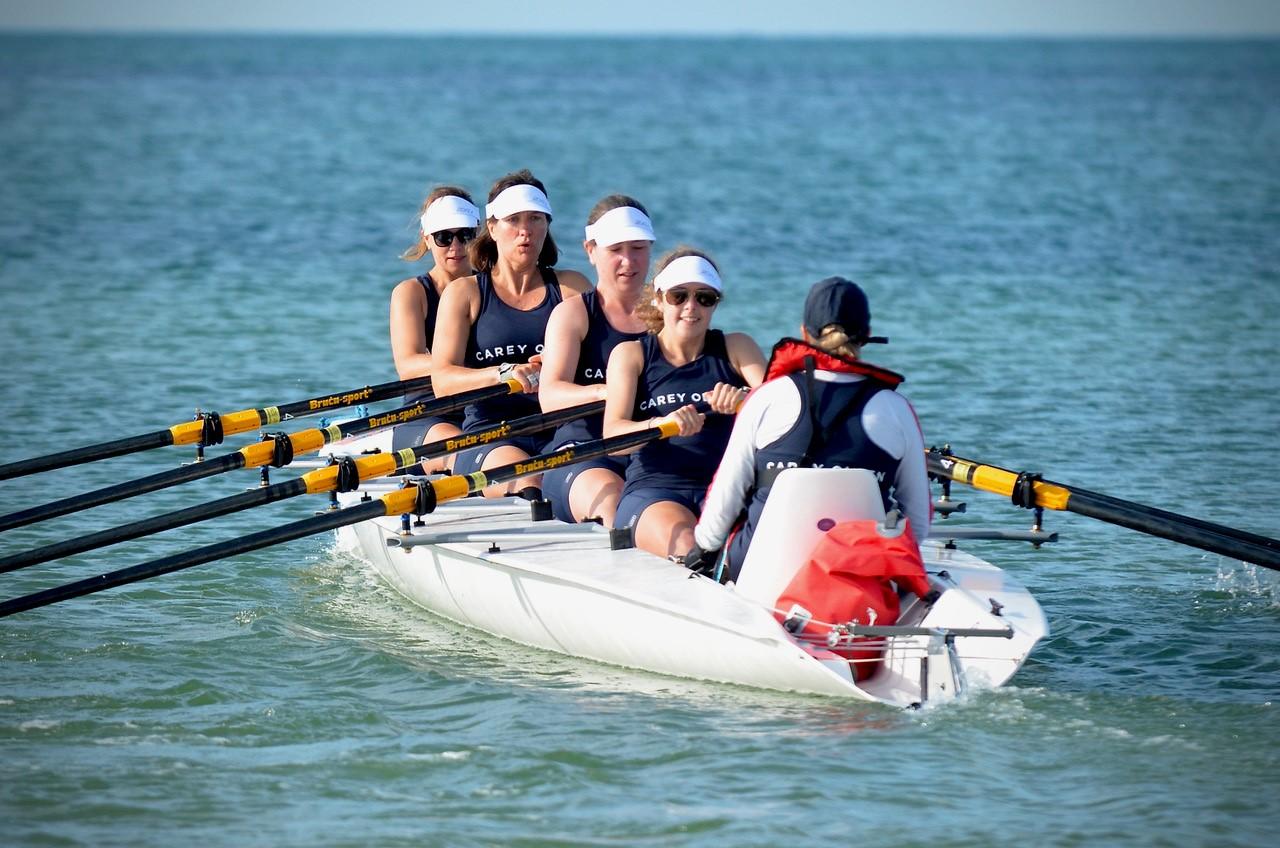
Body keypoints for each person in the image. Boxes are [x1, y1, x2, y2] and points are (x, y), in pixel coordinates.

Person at [686, 276, 931, 581]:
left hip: (763, 574)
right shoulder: (896, 409)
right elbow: (918, 524)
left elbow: (724, 501)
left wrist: (702, 552)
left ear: (804, 333)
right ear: (866, 335)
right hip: (860, 581)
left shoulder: (766, 399)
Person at [430, 169, 591, 496]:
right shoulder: (466, 293)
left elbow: (606, 359)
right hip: (490, 435)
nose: (525, 231)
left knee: (588, 482)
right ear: (491, 227)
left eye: (535, 219)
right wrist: (504, 373)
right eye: (514, 220)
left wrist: (557, 363)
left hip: (562, 429)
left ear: (547, 225)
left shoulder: (572, 288)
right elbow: (442, 381)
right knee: (531, 481)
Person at [602, 247, 766, 558]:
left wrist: (745, 403)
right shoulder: (632, 355)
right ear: (659, 299)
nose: (692, 307)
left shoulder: (737, 347)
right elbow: (613, 438)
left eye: (705, 297)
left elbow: (780, 412)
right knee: (690, 548)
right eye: (679, 296)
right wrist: (662, 425)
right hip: (656, 490)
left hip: (726, 488)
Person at [538, 195, 653, 525]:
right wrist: (607, 391)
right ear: (591, 250)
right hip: (584, 454)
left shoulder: (670, 316)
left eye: (638, 248)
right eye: (616, 250)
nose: (628, 261)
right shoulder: (573, 314)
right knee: (615, 500)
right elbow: (550, 396)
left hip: (649, 452)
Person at [388, 186, 480, 472]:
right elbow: (408, 364)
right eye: (443, 237)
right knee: (469, 451)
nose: (456, 246)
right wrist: (487, 369)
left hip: (482, 409)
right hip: (426, 414)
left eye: (465, 235)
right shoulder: (411, 293)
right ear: (427, 239)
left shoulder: (492, 287)